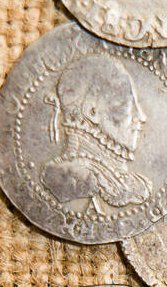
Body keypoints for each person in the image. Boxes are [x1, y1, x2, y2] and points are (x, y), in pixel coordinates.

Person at [40, 55, 151, 213]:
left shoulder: (126, 182)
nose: (141, 117)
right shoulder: (68, 179)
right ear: (92, 111)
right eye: (127, 103)